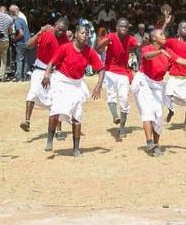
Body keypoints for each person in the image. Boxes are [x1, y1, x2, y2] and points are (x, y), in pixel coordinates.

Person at [41, 24, 105, 157]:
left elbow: (101, 69)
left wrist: (99, 84)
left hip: (77, 84)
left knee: (77, 115)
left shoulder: (89, 51)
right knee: (56, 109)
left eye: (87, 34)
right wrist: (46, 75)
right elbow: (52, 63)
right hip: (61, 80)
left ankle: (76, 148)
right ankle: (50, 139)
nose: (85, 36)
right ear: (75, 34)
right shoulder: (65, 47)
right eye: (82, 33)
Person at [131, 28, 181, 157]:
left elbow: (179, 60)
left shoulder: (166, 51)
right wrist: (160, 52)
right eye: (161, 34)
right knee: (147, 112)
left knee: (158, 115)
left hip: (157, 84)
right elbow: (146, 56)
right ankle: (149, 142)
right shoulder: (147, 48)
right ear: (154, 38)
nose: (165, 36)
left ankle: (156, 144)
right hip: (144, 82)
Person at [19, 17, 70, 133]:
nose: (60, 32)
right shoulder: (45, 33)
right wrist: (39, 33)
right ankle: (26, 121)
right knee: (32, 92)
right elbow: (28, 45)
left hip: (55, 72)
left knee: (57, 99)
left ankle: (58, 129)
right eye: (59, 29)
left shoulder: (66, 40)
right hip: (39, 69)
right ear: (55, 25)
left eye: (63, 30)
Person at [96, 18, 138, 139]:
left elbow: (139, 45)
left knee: (124, 99)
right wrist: (105, 42)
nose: (124, 29)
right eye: (121, 26)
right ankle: (115, 116)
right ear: (117, 27)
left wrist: (145, 42)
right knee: (111, 95)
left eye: (126, 27)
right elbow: (98, 48)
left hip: (123, 72)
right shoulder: (111, 36)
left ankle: (122, 127)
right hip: (109, 70)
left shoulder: (130, 39)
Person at [10, 5, 30, 82]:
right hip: (27, 42)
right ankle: (24, 76)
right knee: (25, 60)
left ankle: (19, 77)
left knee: (19, 60)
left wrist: (14, 40)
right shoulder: (22, 19)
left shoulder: (17, 21)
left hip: (21, 43)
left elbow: (21, 34)